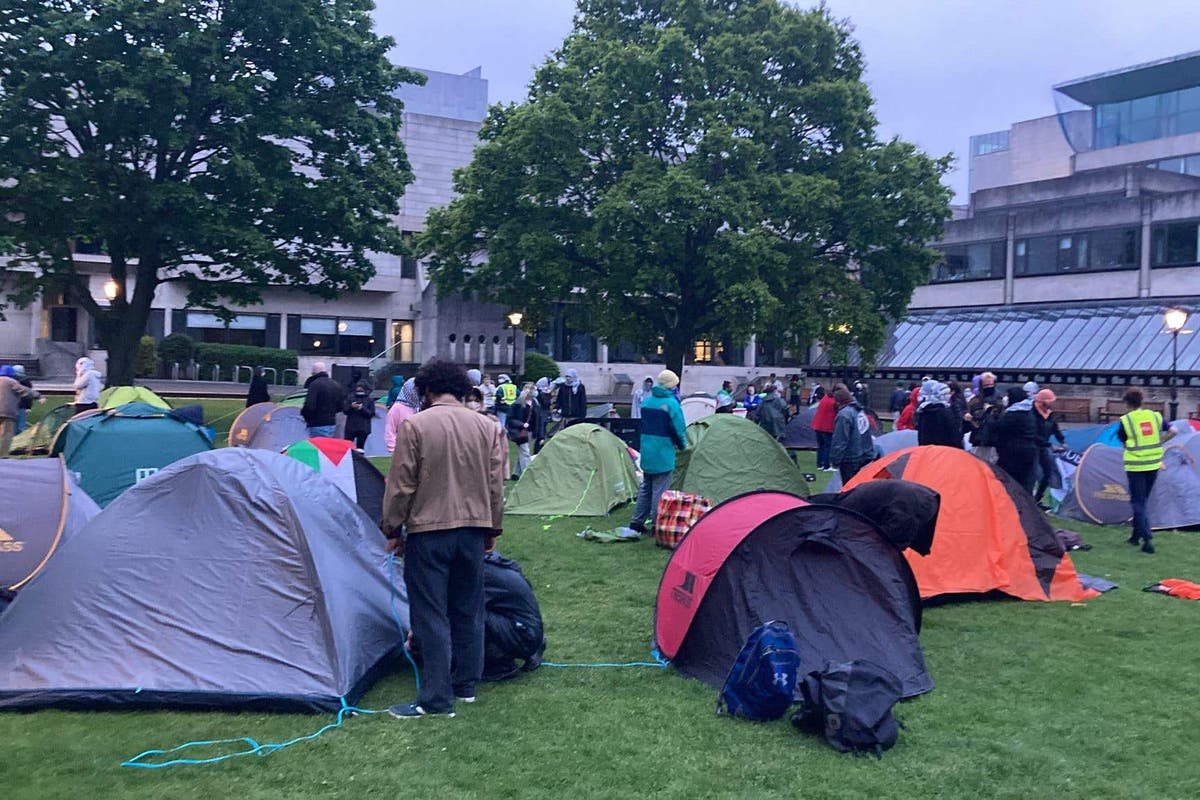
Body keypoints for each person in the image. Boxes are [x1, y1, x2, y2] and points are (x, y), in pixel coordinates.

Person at [382, 359, 506, 719]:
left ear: (426, 390)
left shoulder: (414, 426)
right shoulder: (487, 426)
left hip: (429, 532)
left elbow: (401, 486)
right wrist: (492, 529)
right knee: (468, 608)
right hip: (473, 530)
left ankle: (436, 699)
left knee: (430, 613)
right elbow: (496, 486)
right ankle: (465, 685)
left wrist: (392, 529)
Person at [629, 370, 687, 535]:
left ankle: (637, 521)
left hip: (647, 450)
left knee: (646, 488)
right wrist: (682, 445)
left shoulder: (647, 402)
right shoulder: (671, 404)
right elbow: (678, 428)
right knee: (660, 491)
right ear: (671, 385)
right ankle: (657, 525)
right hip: (663, 452)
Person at [1116, 388, 1174, 554]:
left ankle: (1147, 539)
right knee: (1143, 500)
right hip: (1153, 465)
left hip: (1135, 466)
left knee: (1138, 502)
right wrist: (1160, 441)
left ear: (1127, 403)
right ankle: (1135, 536)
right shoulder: (1154, 416)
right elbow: (1174, 430)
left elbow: (1123, 441)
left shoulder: (1126, 420)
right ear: (1141, 401)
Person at [993, 387, 1039, 493]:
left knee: (1010, 481)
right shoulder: (1029, 412)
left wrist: (991, 415)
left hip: (1013, 453)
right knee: (1025, 482)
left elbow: (998, 427)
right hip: (1029, 450)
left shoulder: (1013, 414)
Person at [829, 386, 875, 483]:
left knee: (849, 487)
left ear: (838, 402)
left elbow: (840, 439)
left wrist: (835, 459)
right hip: (864, 455)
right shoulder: (859, 411)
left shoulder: (844, 415)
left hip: (850, 458)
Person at [1033, 389, 1067, 510]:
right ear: (1043, 402)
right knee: (1031, 474)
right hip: (1032, 447)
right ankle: (1027, 498)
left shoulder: (1049, 414)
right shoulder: (1032, 414)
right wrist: (1050, 445)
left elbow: (1054, 428)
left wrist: (1062, 441)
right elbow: (1032, 433)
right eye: (1050, 401)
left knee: (1047, 473)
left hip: (1043, 447)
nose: (1052, 403)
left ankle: (1037, 499)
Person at [0, 370, 43, 458]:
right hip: (7, 412)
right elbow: (24, 390)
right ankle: (3, 455)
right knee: (6, 434)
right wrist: (38, 396)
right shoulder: (11, 381)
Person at [300, 362, 345, 438]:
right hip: (332, 423)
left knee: (316, 444)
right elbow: (341, 407)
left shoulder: (314, 384)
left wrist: (305, 416)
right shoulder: (336, 384)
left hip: (316, 423)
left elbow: (310, 405)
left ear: (314, 373)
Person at [965, 372, 1000, 464]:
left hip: (994, 441)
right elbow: (969, 420)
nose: (989, 387)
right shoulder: (975, 401)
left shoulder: (999, 400)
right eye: (986, 385)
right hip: (977, 440)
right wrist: (967, 419)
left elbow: (1001, 419)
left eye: (991, 384)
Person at [915, 380, 962, 448]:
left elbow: (921, 433)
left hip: (927, 448)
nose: (949, 396)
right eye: (946, 394)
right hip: (945, 448)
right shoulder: (945, 412)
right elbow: (953, 433)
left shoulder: (923, 410)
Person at [506, 383, 539, 479]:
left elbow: (538, 418)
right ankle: (526, 474)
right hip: (520, 432)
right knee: (525, 452)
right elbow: (510, 419)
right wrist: (521, 424)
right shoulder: (518, 404)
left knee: (523, 452)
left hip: (530, 431)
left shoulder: (535, 403)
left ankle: (515, 473)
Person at [385, 378, 419, 454]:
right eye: (415, 390)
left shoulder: (420, 406)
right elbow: (390, 431)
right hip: (402, 450)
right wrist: (393, 450)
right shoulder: (397, 408)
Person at [343, 381, 376, 449]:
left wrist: (362, 409)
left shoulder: (369, 400)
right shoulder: (350, 398)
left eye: (361, 388)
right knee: (348, 447)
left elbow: (371, 413)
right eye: (358, 387)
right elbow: (345, 411)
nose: (359, 389)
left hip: (363, 427)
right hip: (351, 427)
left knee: (360, 447)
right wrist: (351, 407)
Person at [811, 385, 837, 471]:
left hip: (818, 425)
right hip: (827, 427)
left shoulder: (825, 398)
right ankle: (827, 466)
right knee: (827, 446)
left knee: (821, 446)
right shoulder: (834, 402)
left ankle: (820, 465)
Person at [11, 365, 34, 434]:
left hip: (15, 406)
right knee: (20, 425)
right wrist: (28, 407)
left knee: (16, 424)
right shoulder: (26, 382)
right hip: (21, 406)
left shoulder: (11, 381)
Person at [533, 377, 554, 453]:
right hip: (542, 414)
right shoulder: (542, 393)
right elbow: (545, 403)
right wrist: (548, 395)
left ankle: (539, 448)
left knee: (542, 431)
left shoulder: (540, 392)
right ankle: (538, 450)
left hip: (543, 414)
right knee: (541, 432)